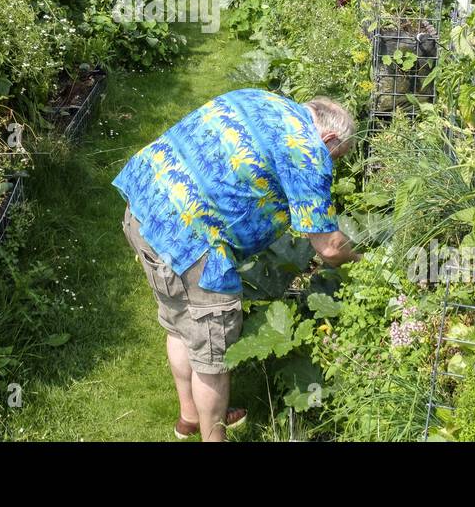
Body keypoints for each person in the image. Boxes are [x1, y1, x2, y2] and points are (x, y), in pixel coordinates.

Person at [114, 89, 359, 442]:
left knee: (180, 325)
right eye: (337, 156)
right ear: (330, 137)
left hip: (145, 207)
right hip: (192, 242)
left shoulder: (261, 98)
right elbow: (330, 247)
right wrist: (364, 261)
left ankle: (190, 418)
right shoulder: (308, 149)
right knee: (212, 358)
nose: (333, 163)